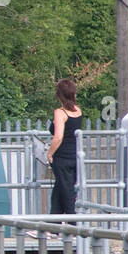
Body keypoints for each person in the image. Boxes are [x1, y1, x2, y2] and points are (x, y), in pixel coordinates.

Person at [46, 78, 82, 215]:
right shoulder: (78, 110)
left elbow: (58, 137)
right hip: (74, 156)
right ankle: (53, 225)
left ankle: (73, 224)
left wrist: (50, 153)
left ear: (59, 94)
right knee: (59, 190)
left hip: (62, 157)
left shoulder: (60, 113)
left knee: (66, 191)